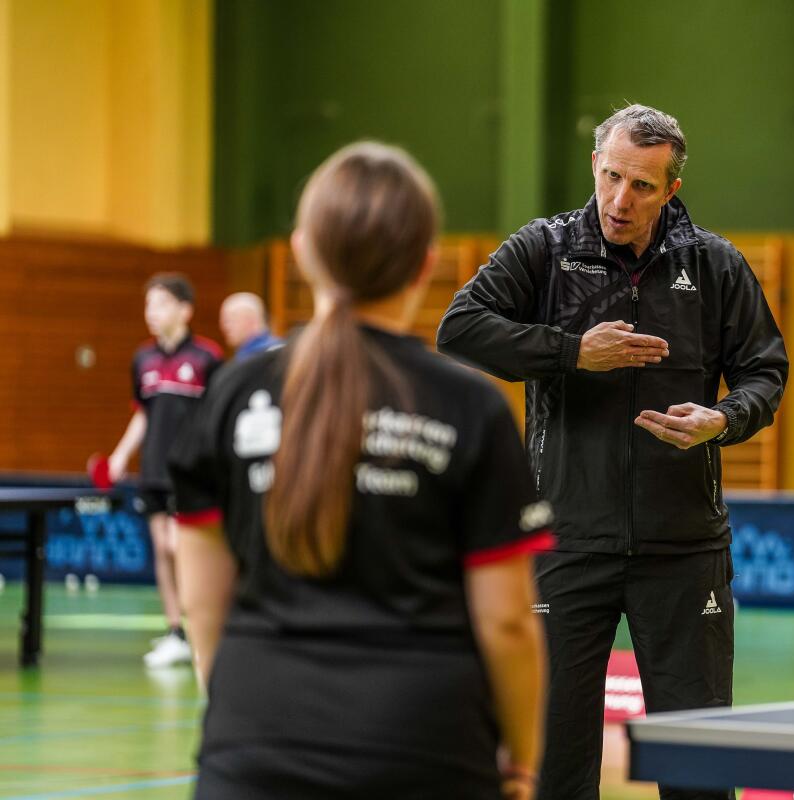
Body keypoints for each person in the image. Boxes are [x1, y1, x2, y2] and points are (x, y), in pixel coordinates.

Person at [169, 141, 549, 799]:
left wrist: (237, 706)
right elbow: (508, 621)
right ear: (426, 265)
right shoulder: (469, 405)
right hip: (425, 749)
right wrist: (522, 760)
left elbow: (201, 589)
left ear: (301, 251)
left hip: (254, 741)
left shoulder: (234, 393)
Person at [437, 104, 788, 800]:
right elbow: (459, 328)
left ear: (672, 191)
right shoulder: (542, 249)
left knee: (698, 761)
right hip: (564, 543)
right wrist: (571, 351)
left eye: (643, 186)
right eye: (611, 177)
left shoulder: (715, 265)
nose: (620, 200)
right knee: (555, 763)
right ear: (595, 168)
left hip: (683, 548)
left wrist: (722, 418)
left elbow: (765, 373)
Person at [106, 272, 223, 668]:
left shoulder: (207, 358)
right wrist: (121, 456)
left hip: (190, 471)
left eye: (159, 304)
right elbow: (142, 414)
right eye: (148, 305)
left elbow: (217, 418)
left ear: (184, 310)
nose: (150, 313)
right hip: (152, 469)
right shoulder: (144, 359)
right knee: (161, 548)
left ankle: (199, 626)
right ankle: (176, 630)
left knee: (181, 547)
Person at [218, 292, 283, 360]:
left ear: (250, 320)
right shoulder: (246, 353)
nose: (224, 327)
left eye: (229, 321)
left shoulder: (267, 354)